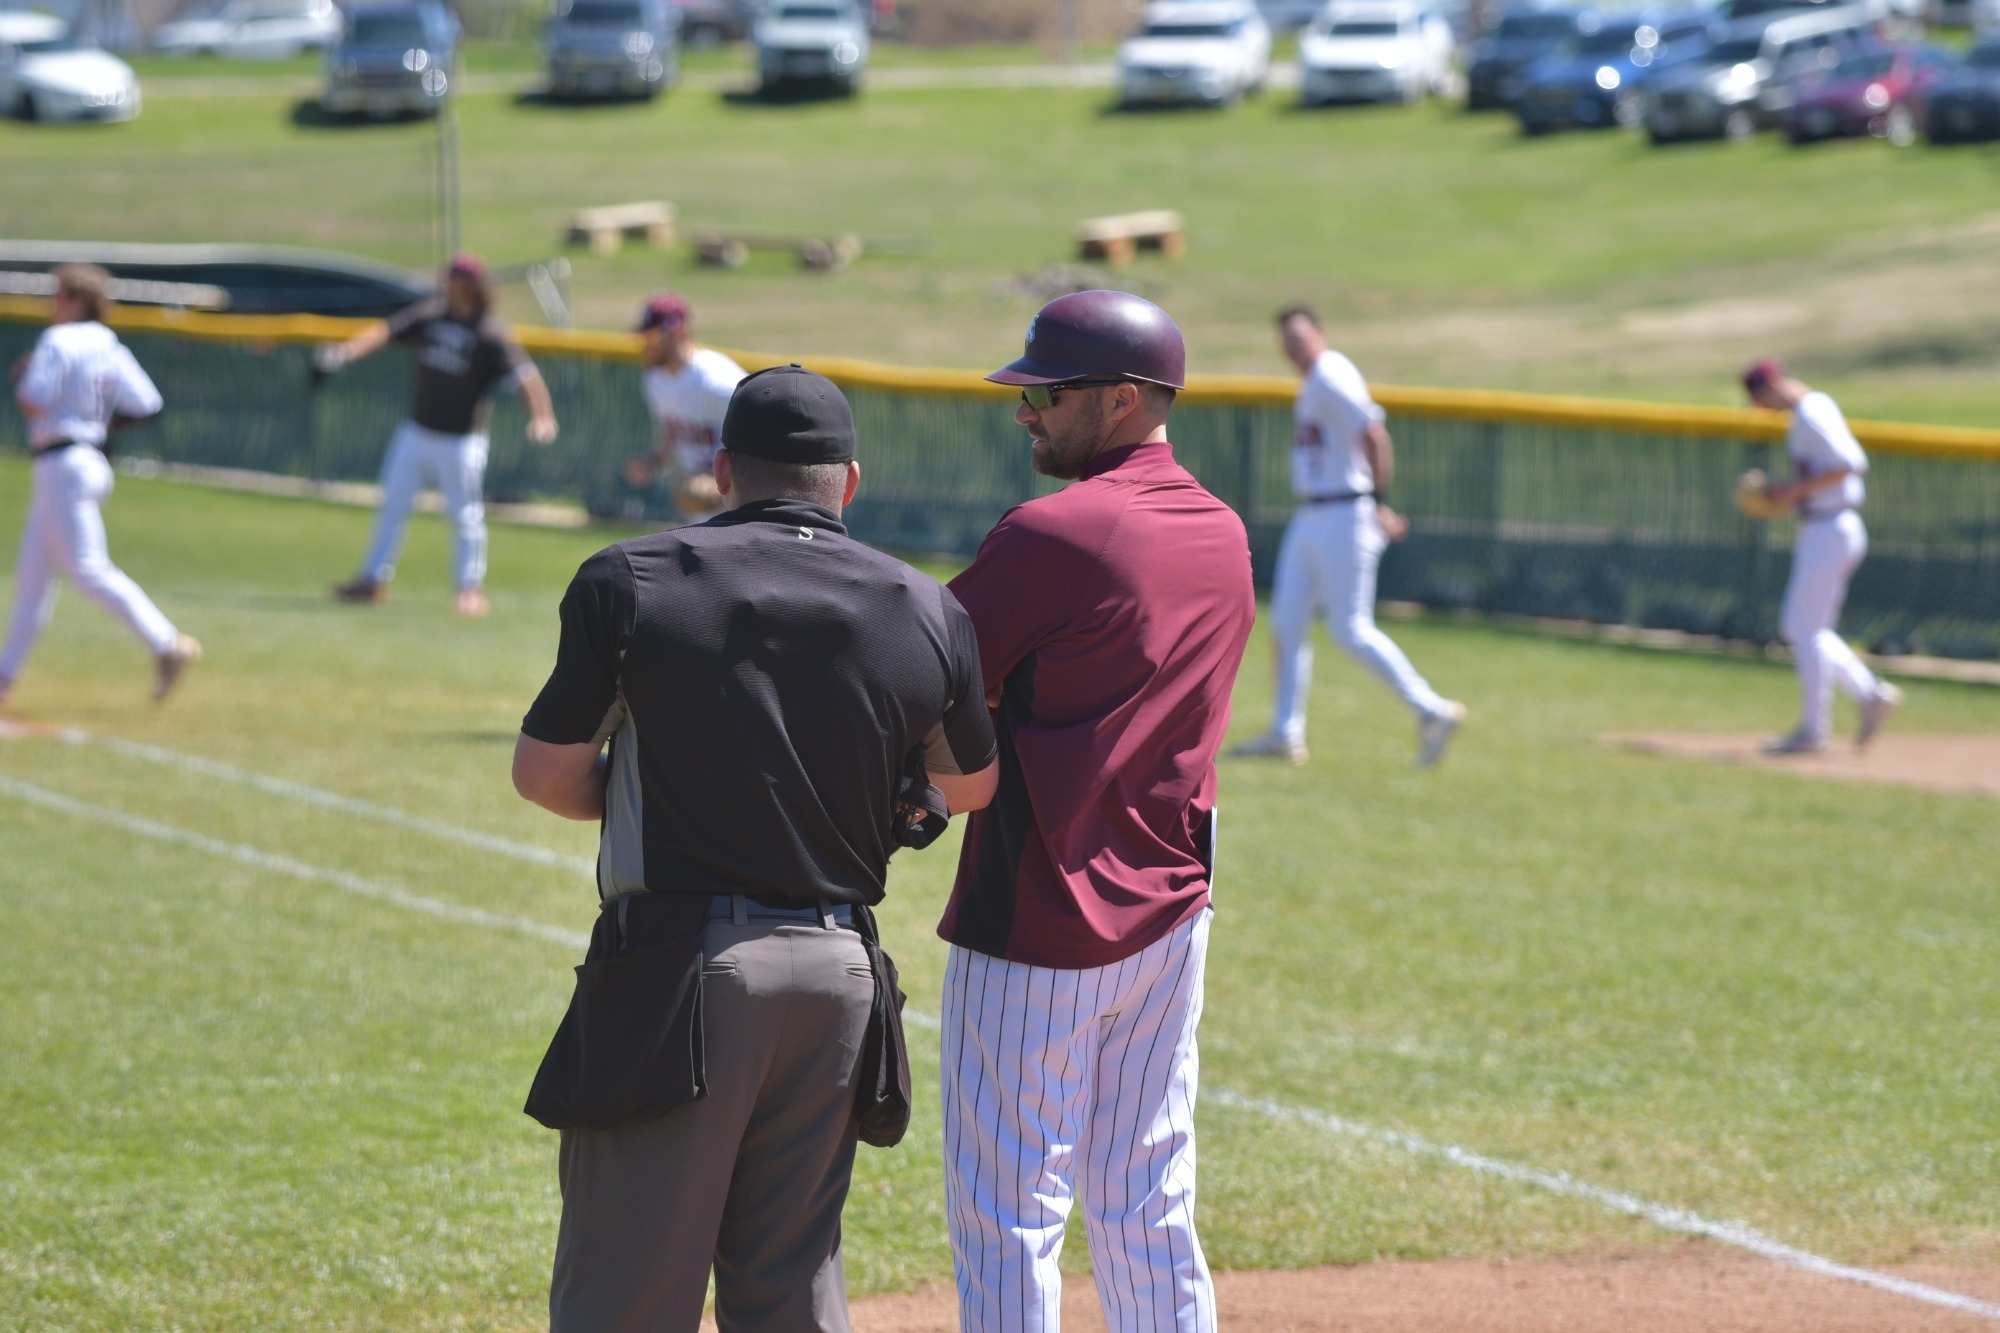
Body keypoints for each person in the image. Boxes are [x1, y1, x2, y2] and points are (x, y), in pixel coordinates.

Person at [511, 364, 999, 1333]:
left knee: (627, 1294)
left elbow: (545, 773)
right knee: (791, 1291)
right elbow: (969, 786)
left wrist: (679, 793)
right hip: (838, 977)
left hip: (682, 974)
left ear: (723, 466)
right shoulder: (924, 604)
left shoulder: (631, 578)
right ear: (847, 482)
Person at [937, 290, 1254, 1333]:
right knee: (1144, 1196)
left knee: (1007, 1210)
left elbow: (926, 677)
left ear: (1122, 400)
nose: (1024, 409)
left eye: (1048, 393)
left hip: (1039, 912)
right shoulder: (1221, 531)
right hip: (1171, 908)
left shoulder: (1053, 530)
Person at [1235, 304, 1465, 767]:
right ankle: (1285, 732)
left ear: (1320, 333)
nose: (1293, 345)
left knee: (1351, 629)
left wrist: (1380, 501)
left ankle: (1432, 710)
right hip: (1314, 514)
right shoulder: (1316, 378)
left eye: (1300, 335)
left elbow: (1374, 435)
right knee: (1286, 624)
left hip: (1346, 511)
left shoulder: (1331, 372)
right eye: (1286, 338)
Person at [1, 264, 201, 709]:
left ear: (74, 300)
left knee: (88, 569)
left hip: (63, 465)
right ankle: (4, 675)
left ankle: (167, 643)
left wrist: (22, 376)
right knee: (33, 577)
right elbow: (148, 404)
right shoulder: (110, 345)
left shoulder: (59, 339)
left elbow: (33, 398)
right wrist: (102, 426)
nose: (53, 305)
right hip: (88, 460)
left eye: (58, 296)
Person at [317, 253, 560, 617]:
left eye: (454, 278)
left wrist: (542, 416)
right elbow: (385, 332)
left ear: (471, 285)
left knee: (465, 515)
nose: (447, 282)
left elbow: (525, 375)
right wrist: (344, 352)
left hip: (461, 440)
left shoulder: (489, 332)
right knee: (392, 506)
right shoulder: (430, 316)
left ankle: (469, 590)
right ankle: (371, 581)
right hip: (416, 431)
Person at [1743, 358, 1902, 754]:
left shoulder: (1811, 411)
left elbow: (1850, 464)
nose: (1764, 408)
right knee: (1800, 629)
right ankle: (1868, 694)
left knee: (1806, 630)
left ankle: (1815, 730)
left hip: (1829, 528)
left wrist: (1793, 492)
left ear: (1773, 385)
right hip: (1827, 526)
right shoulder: (1812, 409)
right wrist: (1792, 493)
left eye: (1761, 399)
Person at [622, 292, 745, 521]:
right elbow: (673, 432)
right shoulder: (655, 381)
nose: (645, 345)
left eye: (652, 337)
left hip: (741, 515)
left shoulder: (715, 380)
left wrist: (729, 485)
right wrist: (652, 462)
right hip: (701, 517)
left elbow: (767, 434)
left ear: (678, 332)